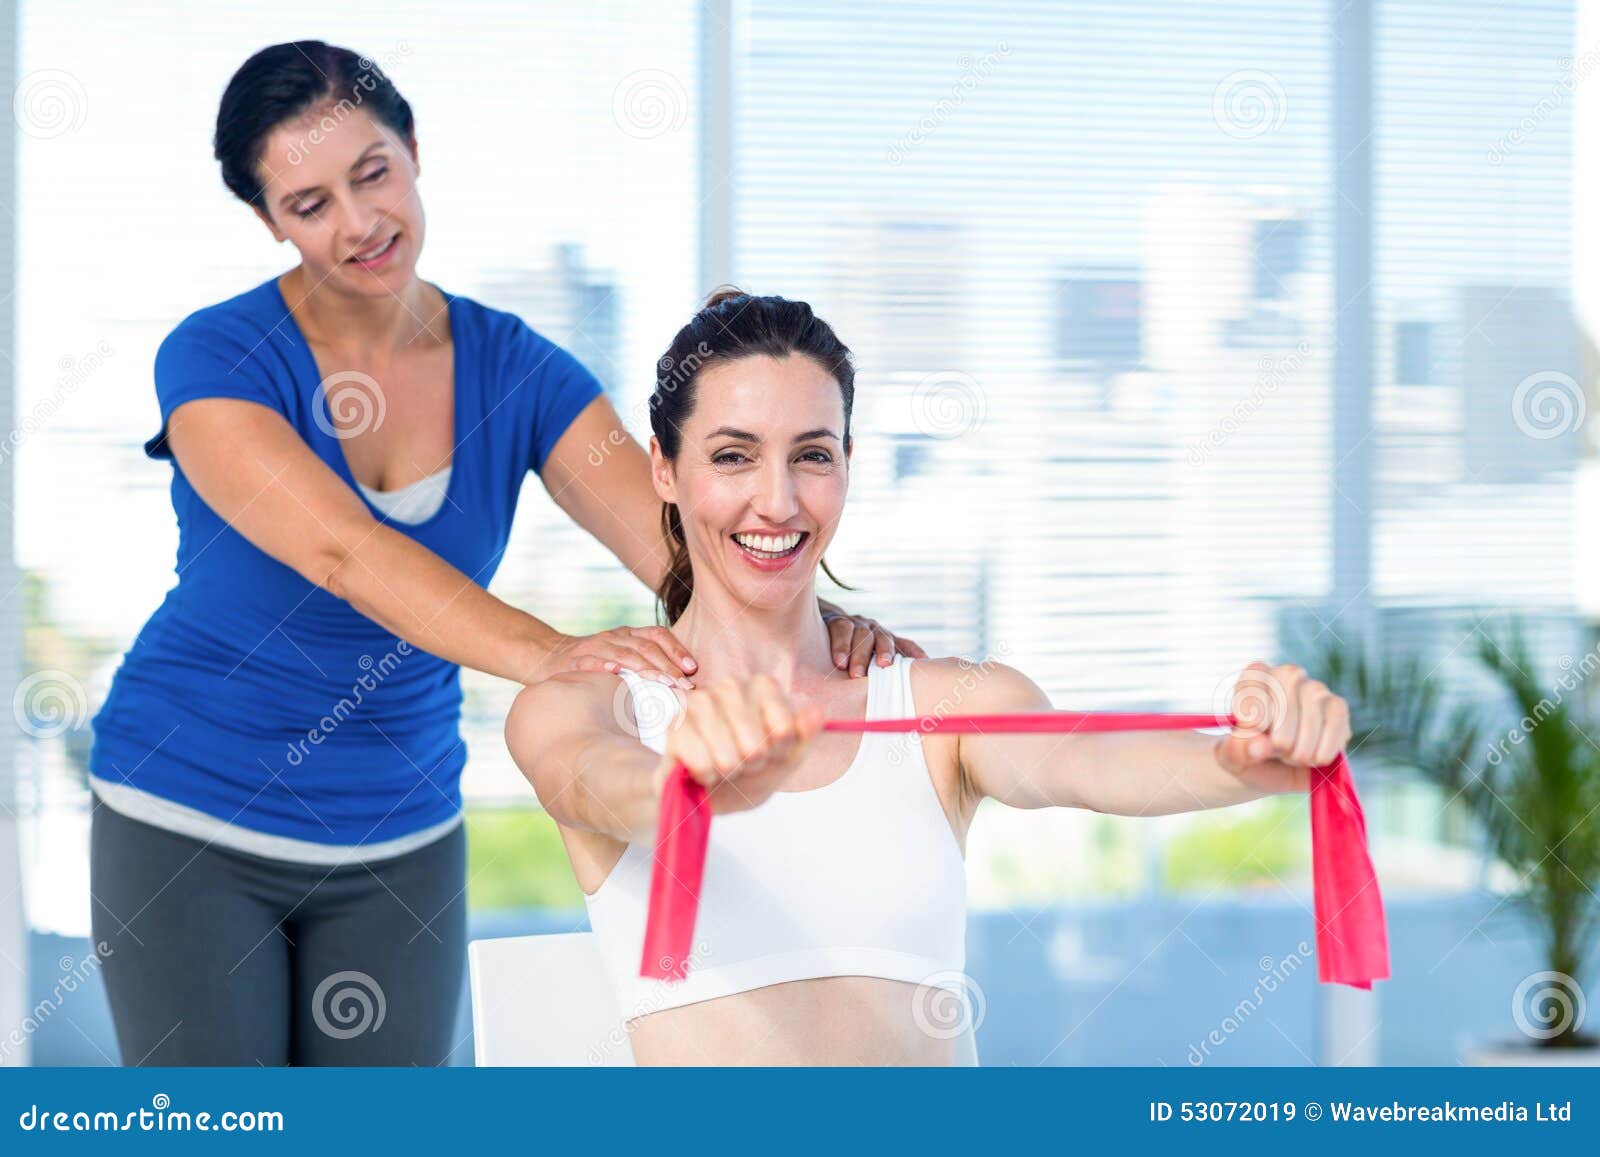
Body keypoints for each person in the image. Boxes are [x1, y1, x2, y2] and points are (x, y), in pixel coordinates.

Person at [86, 42, 918, 1068]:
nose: (358, 222)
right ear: (267, 221)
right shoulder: (215, 356)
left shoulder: (516, 367)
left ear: (414, 150)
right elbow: (343, 552)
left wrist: (817, 630)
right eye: (308, 204)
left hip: (400, 826)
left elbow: (677, 542)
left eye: (373, 172)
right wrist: (557, 655)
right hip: (188, 809)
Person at [504, 289, 1352, 1065]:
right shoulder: (586, 709)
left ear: (848, 461)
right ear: (663, 466)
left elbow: (1082, 759)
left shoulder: (936, 703)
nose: (778, 502)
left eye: (812, 455)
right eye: (732, 456)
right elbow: (592, 781)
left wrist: (1238, 757)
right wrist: (687, 783)